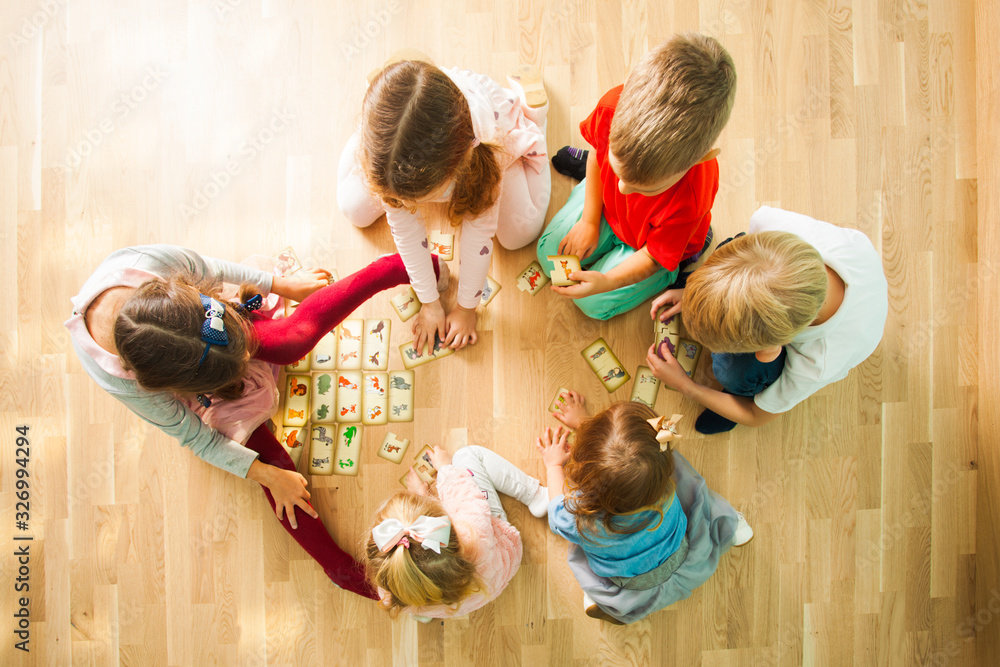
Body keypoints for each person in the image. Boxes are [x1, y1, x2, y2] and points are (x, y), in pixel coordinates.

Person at [66, 244, 445, 598]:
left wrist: (279, 285)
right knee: (273, 465)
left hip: (214, 332)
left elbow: (212, 269)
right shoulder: (125, 383)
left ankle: (388, 268)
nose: (250, 361)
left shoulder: (152, 266)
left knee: (291, 340)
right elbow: (197, 439)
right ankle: (337, 568)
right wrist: (266, 475)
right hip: (202, 376)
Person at [338, 59, 550, 352]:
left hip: (493, 125)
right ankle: (379, 113)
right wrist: (429, 302)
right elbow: (406, 232)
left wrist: (466, 308)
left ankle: (534, 115)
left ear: (457, 166)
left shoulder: (483, 154)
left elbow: (479, 237)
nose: (409, 206)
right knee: (353, 209)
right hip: (416, 134)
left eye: (416, 198)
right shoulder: (393, 172)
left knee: (520, 233)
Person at [536, 33, 736, 320]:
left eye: (643, 187)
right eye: (618, 170)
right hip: (609, 214)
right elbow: (598, 153)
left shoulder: (691, 196)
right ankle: (594, 180)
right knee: (548, 255)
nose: (622, 188)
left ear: (699, 158)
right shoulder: (613, 106)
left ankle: (688, 251)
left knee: (593, 304)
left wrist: (606, 282)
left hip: (652, 248)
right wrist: (590, 220)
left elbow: (653, 258)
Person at [647, 205, 889, 433]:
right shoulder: (770, 223)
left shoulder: (816, 365)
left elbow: (756, 417)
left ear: (769, 350)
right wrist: (693, 292)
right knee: (729, 247)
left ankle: (737, 396)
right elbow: (745, 261)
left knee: (730, 370)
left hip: (832, 333)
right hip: (803, 275)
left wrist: (686, 386)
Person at [538, 392, 752, 624]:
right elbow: (667, 432)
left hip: (628, 582)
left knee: (581, 557)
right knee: (694, 489)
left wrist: (554, 463)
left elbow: (556, 507)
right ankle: (728, 525)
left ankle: (601, 598)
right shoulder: (662, 483)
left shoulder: (580, 520)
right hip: (682, 554)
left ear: (583, 468)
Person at [362, 445, 549, 619]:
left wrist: (421, 498)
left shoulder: (392, 590)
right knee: (466, 455)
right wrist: (445, 469)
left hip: (471, 596)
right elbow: (465, 494)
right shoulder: (472, 533)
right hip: (504, 558)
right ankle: (535, 495)